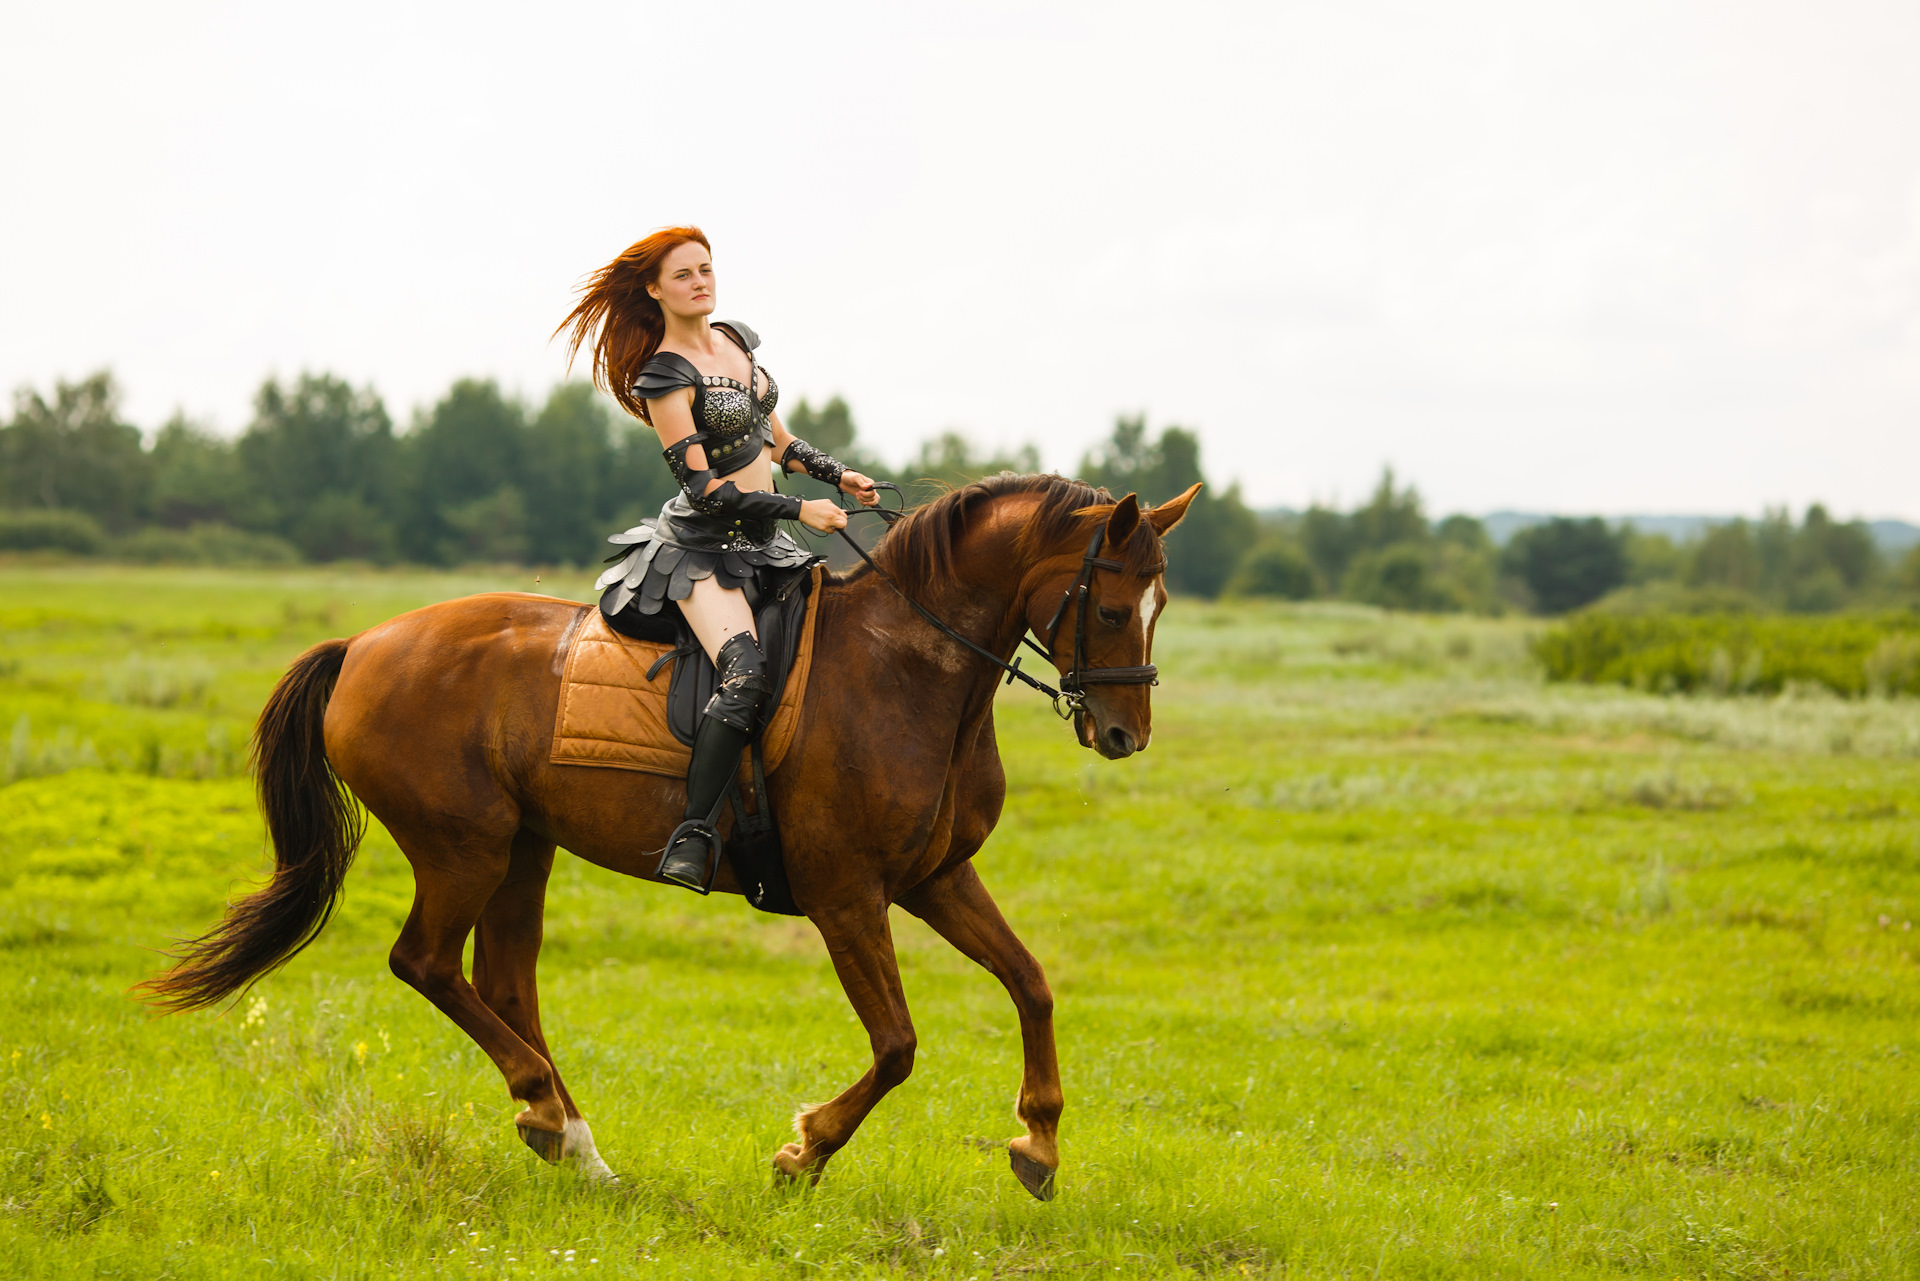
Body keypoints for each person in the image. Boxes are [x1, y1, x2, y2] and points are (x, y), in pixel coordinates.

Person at [556, 226, 878, 893]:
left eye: (706, 269)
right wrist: (799, 511)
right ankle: (695, 832)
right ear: (654, 289)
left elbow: (777, 441)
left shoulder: (737, 340)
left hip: (767, 546)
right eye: (684, 275)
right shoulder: (664, 376)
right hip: (701, 553)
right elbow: (702, 487)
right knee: (747, 676)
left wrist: (836, 474)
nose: (701, 282)